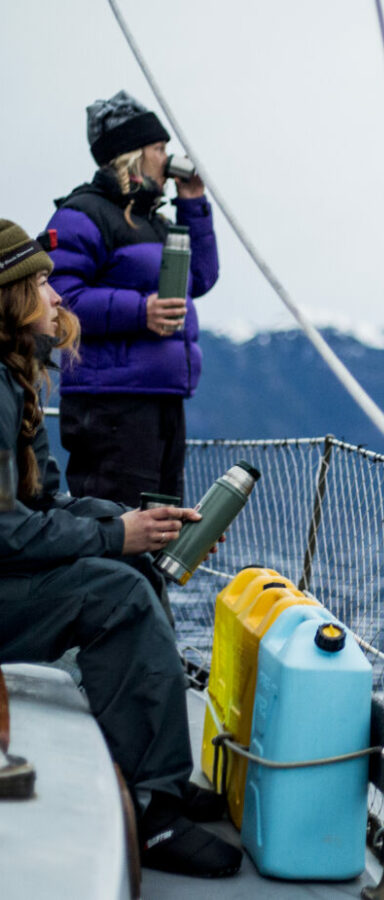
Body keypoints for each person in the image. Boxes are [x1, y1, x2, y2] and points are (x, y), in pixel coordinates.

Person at [0, 219, 241, 878]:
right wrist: (114, 536)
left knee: (131, 562)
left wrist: (134, 522)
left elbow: (45, 506)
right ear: (9, 295)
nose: (57, 297)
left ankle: (155, 772)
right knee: (120, 595)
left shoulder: (15, 380)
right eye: (41, 282)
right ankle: (156, 821)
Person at [46, 89, 219, 507]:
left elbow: (200, 277)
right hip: (111, 405)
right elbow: (58, 298)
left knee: (161, 526)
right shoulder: (82, 215)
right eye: (159, 148)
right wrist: (142, 312)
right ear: (131, 154)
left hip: (159, 396)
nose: (167, 158)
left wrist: (192, 203)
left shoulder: (152, 221)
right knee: (119, 523)